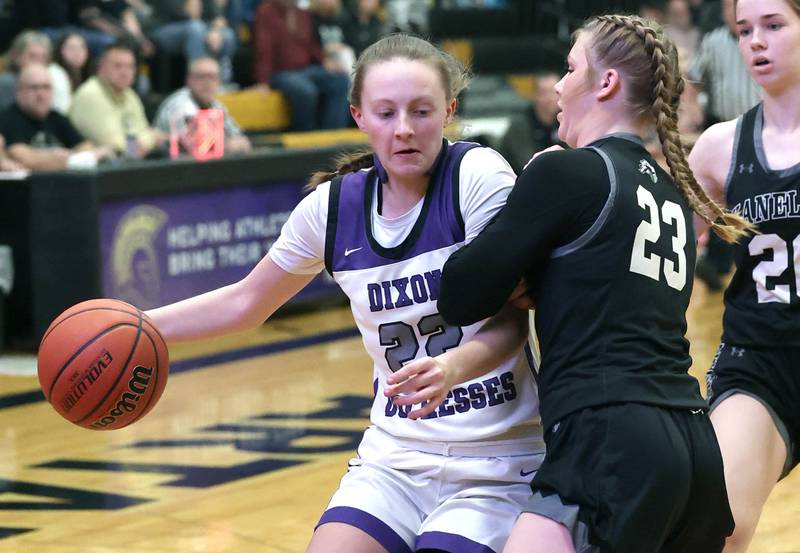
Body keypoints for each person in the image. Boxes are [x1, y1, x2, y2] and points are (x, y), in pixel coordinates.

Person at [146, 34, 544, 553]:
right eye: (386, 113)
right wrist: (135, 324)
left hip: (498, 458)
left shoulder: (478, 177)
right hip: (395, 457)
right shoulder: (330, 209)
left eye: (421, 111)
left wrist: (454, 368)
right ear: (358, 116)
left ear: (448, 110)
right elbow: (247, 301)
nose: (404, 129)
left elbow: (512, 320)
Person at [430, 14, 752, 553]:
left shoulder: (566, 172)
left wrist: (526, 206)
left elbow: (459, 295)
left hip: (610, 439)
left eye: (570, 67)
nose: (557, 85)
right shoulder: (671, 193)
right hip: (692, 445)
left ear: (605, 83)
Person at [687, 1, 800, 551]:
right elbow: (659, 247)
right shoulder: (718, 147)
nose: (755, 41)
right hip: (761, 361)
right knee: (715, 524)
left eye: (773, 26)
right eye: (744, 30)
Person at [251, 0, 351, 131]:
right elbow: (263, 48)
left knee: (340, 80)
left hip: (306, 70)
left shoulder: (303, 13)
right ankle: (305, 139)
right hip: (280, 73)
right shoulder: (266, 11)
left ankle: (333, 136)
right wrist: (263, 81)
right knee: (306, 91)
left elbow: (309, 45)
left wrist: (324, 61)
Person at [0, 64, 112, 171]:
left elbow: (86, 147)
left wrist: (66, 158)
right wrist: (71, 157)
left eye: (46, 87)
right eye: (34, 88)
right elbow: (24, 158)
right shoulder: (8, 119)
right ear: (19, 91)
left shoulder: (56, 117)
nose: (41, 94)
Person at [69, 41, 165, 158]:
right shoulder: (91, 94)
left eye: (130, 66)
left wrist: (144, 140)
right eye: (118, 66)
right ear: (101, 68)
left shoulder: (129, 94)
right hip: (96, 171)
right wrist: (152, 138)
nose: (125, 72)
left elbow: (141, 134)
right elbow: (121, 149)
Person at [153, 56, 251, 154]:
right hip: (170, 165)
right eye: (201, 77)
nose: (207, 83)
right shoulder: (179, 105)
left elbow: (240, 138)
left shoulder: (216, 105)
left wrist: (231, 144)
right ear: (189, 80)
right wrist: (227, 145)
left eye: (212, 77)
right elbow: (196, 148)